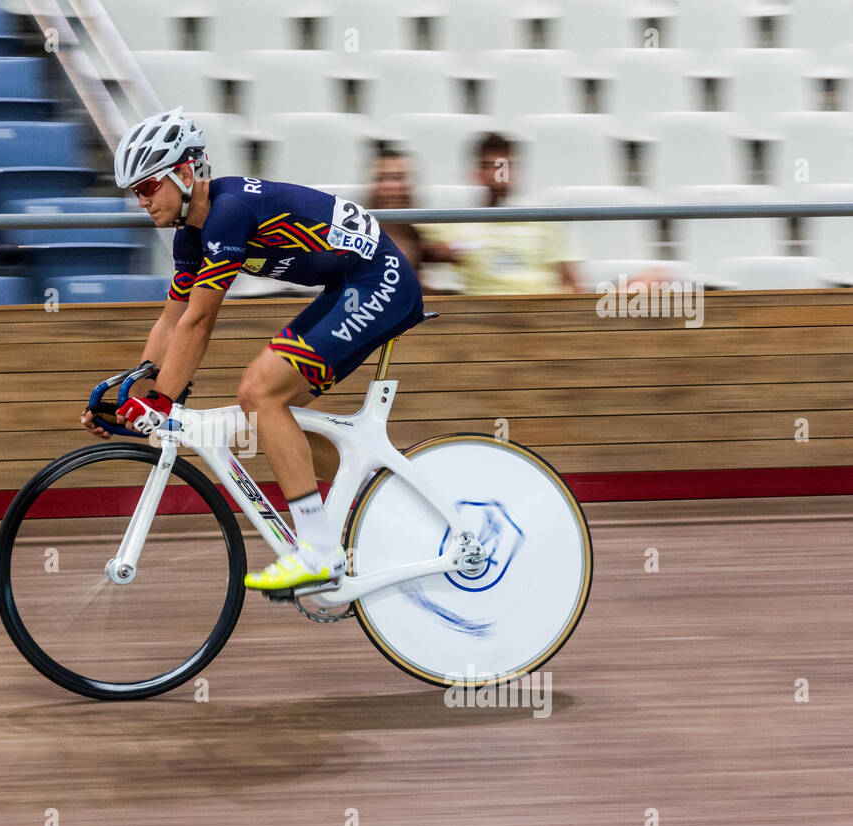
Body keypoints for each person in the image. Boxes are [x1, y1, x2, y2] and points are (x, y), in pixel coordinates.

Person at [79, 107, 431, 593]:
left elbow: (200, 320)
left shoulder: (227, 214)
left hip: (379, 282)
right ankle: (382, 496)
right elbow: (172, 319)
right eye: (134, 192)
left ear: (183, 174)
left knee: (261, 392)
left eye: (146, 187)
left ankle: (320, 553)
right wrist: (135, 392)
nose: (140, 202)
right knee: (263, 410)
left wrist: (160, 402)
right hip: (350, 282)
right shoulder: (191, 236)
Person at [422, 132, 583, 294]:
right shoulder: (455, 224)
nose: (498, 176)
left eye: (505, 167)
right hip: (483, 312)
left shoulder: (542, 220)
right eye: (490, 167)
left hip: (540, 309)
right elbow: (417, 256)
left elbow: (571, 281)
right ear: (477, 173)